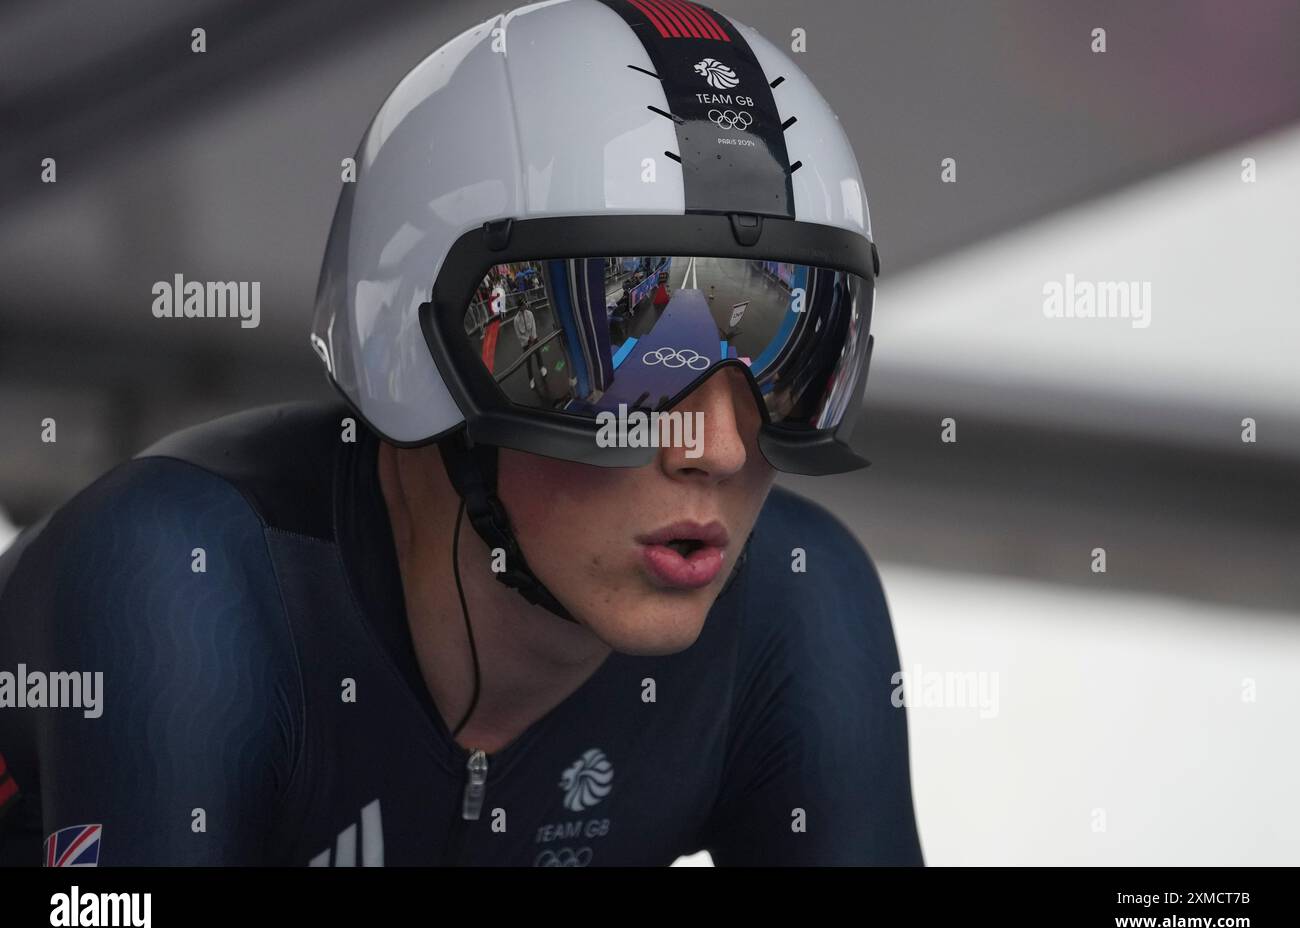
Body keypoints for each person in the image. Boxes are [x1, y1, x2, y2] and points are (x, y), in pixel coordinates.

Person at [0, 0, 919, 867]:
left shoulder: (800, 606)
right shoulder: (177, 576)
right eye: (631, 356)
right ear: (422, 348)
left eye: (790, 356)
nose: (717, 448)